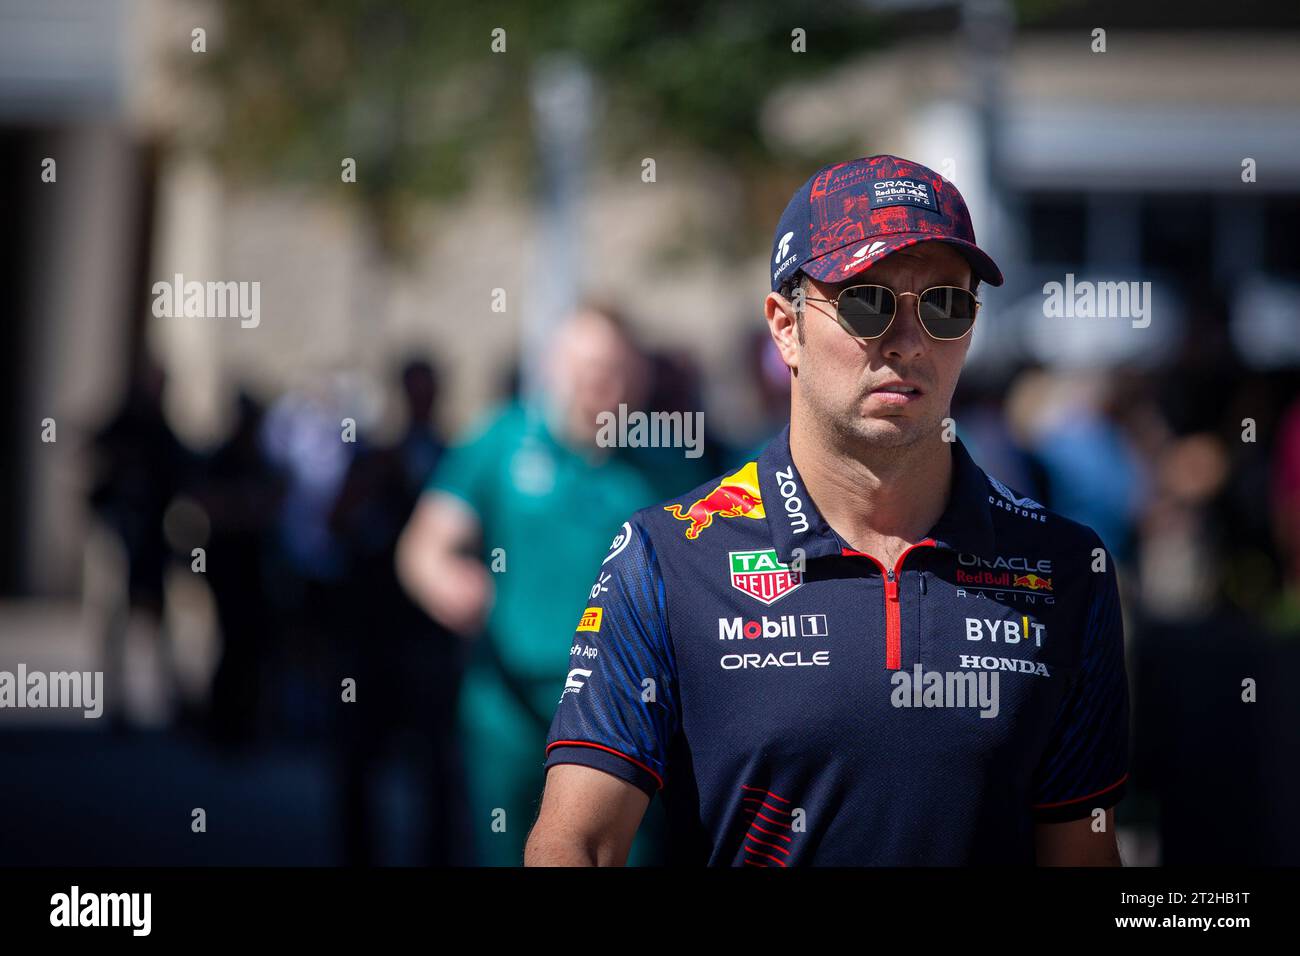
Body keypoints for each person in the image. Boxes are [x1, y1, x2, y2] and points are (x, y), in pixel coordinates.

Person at [525, 155, 1130, 866]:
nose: (907, 340)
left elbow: (1082, 852)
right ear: (785, 328)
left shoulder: (1065, 568)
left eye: (945, 305)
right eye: (867, 301)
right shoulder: (667, 556)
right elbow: (579, 842)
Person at [396, 301, 684, 866]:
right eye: (586, 367)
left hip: (624, 709)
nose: (600, 384)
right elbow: (423, 545)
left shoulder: (666, 461)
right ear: (554, 367)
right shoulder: (501, 443)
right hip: (509, 702)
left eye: (614, 369)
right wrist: (448, 579)